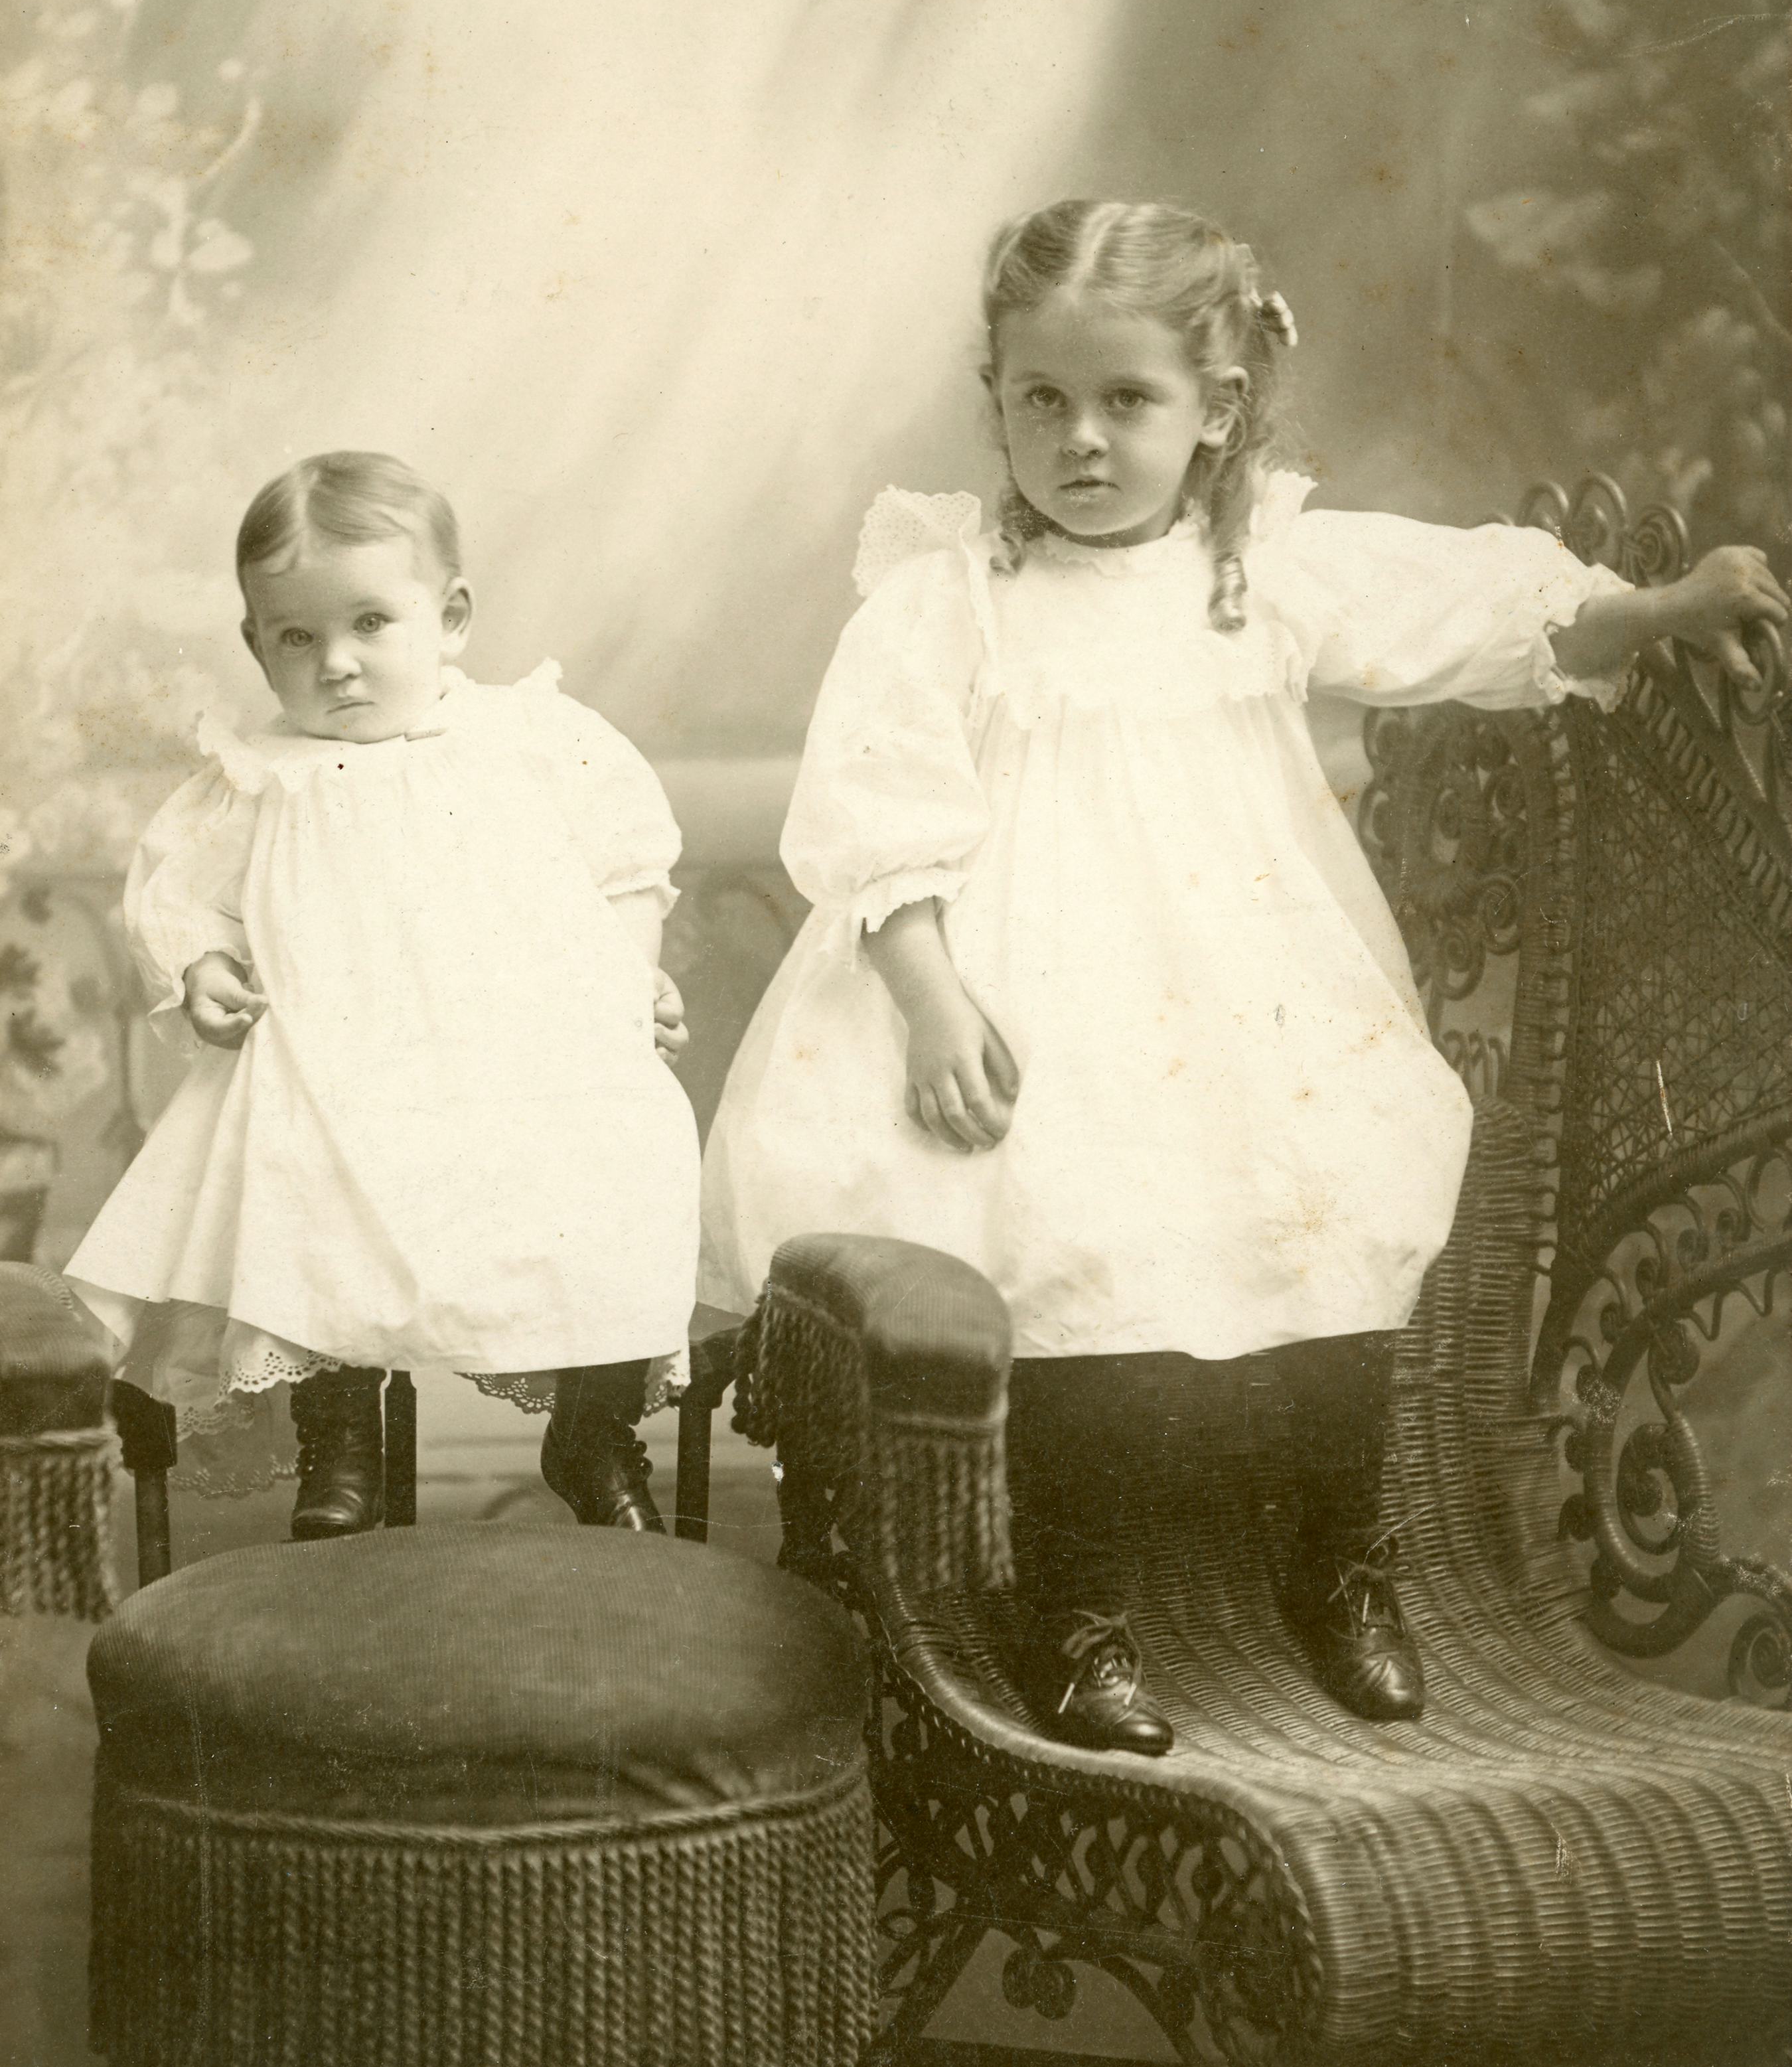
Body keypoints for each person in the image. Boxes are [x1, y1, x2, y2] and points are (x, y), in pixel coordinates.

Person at [700, 198, 1787, 1755]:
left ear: (1215, 411)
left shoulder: (1257, 567)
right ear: (994, 397)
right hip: (1019, 981)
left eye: (1127, 400)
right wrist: (934, 997)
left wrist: (1662, 608)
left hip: (1243, 981)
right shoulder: (947, 595)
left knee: (1334, 1193)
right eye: (1041, 399)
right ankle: (1078, 1603)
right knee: (1066, 1231)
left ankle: (1343, 1556)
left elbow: (1468, 618)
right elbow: (879, 807)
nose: (1081, 440)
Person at [68, 451, 700, 1538]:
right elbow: (177, 898)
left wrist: (627, 976)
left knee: (612, 1174)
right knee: (306, 1197)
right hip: (341, 1068)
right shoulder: (261, 775)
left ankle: (593, 1427)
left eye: (371, 624)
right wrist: (202, 969)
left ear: (450, 616)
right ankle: (340, 1440)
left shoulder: (528, 737)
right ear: (256, 645)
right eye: (298, 638)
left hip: (523, 1068)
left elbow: (628, 862)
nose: (339, 666)